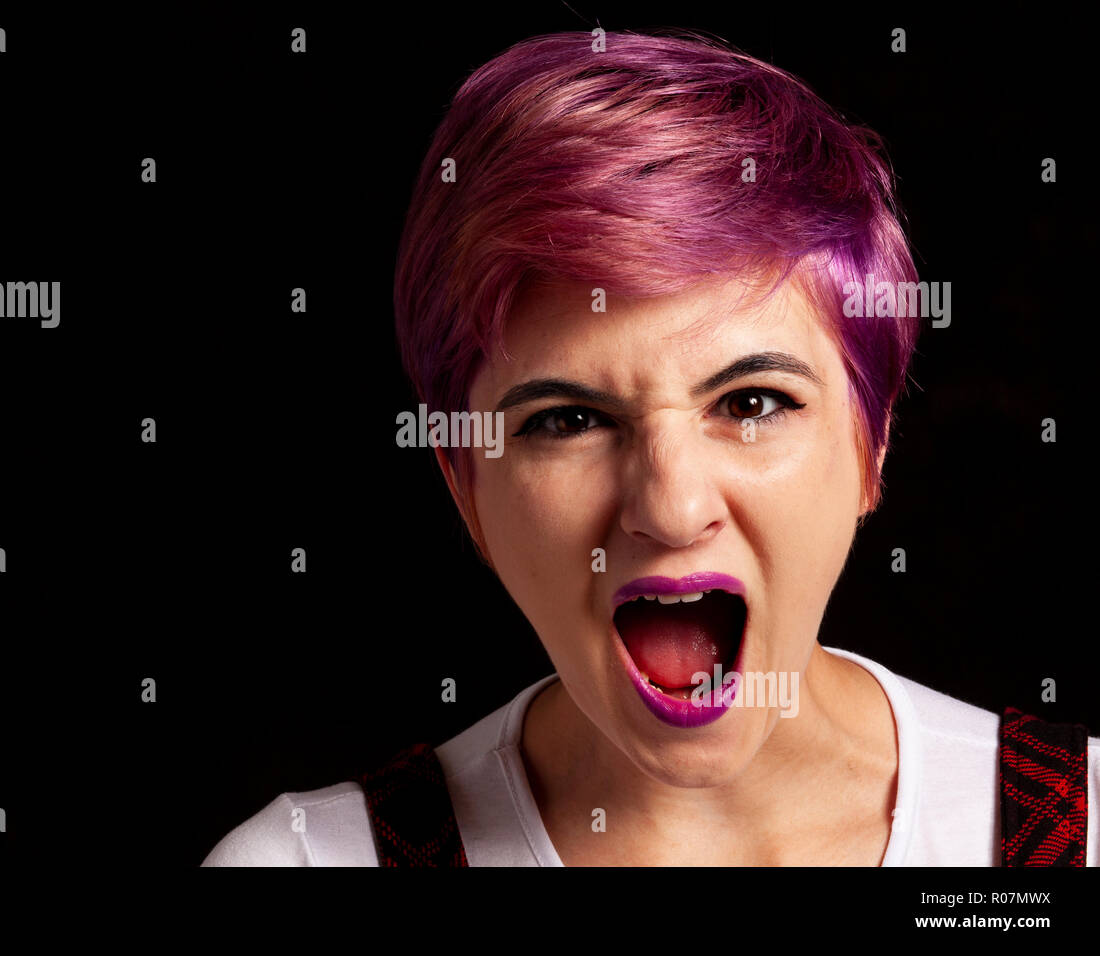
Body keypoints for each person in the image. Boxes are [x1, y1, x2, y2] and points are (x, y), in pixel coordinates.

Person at [204, 29, 1097, 866]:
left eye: (752, 401)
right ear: (465, 484)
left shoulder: (1079, 832)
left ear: (872, 447)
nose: (670, 509)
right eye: (567, 420)